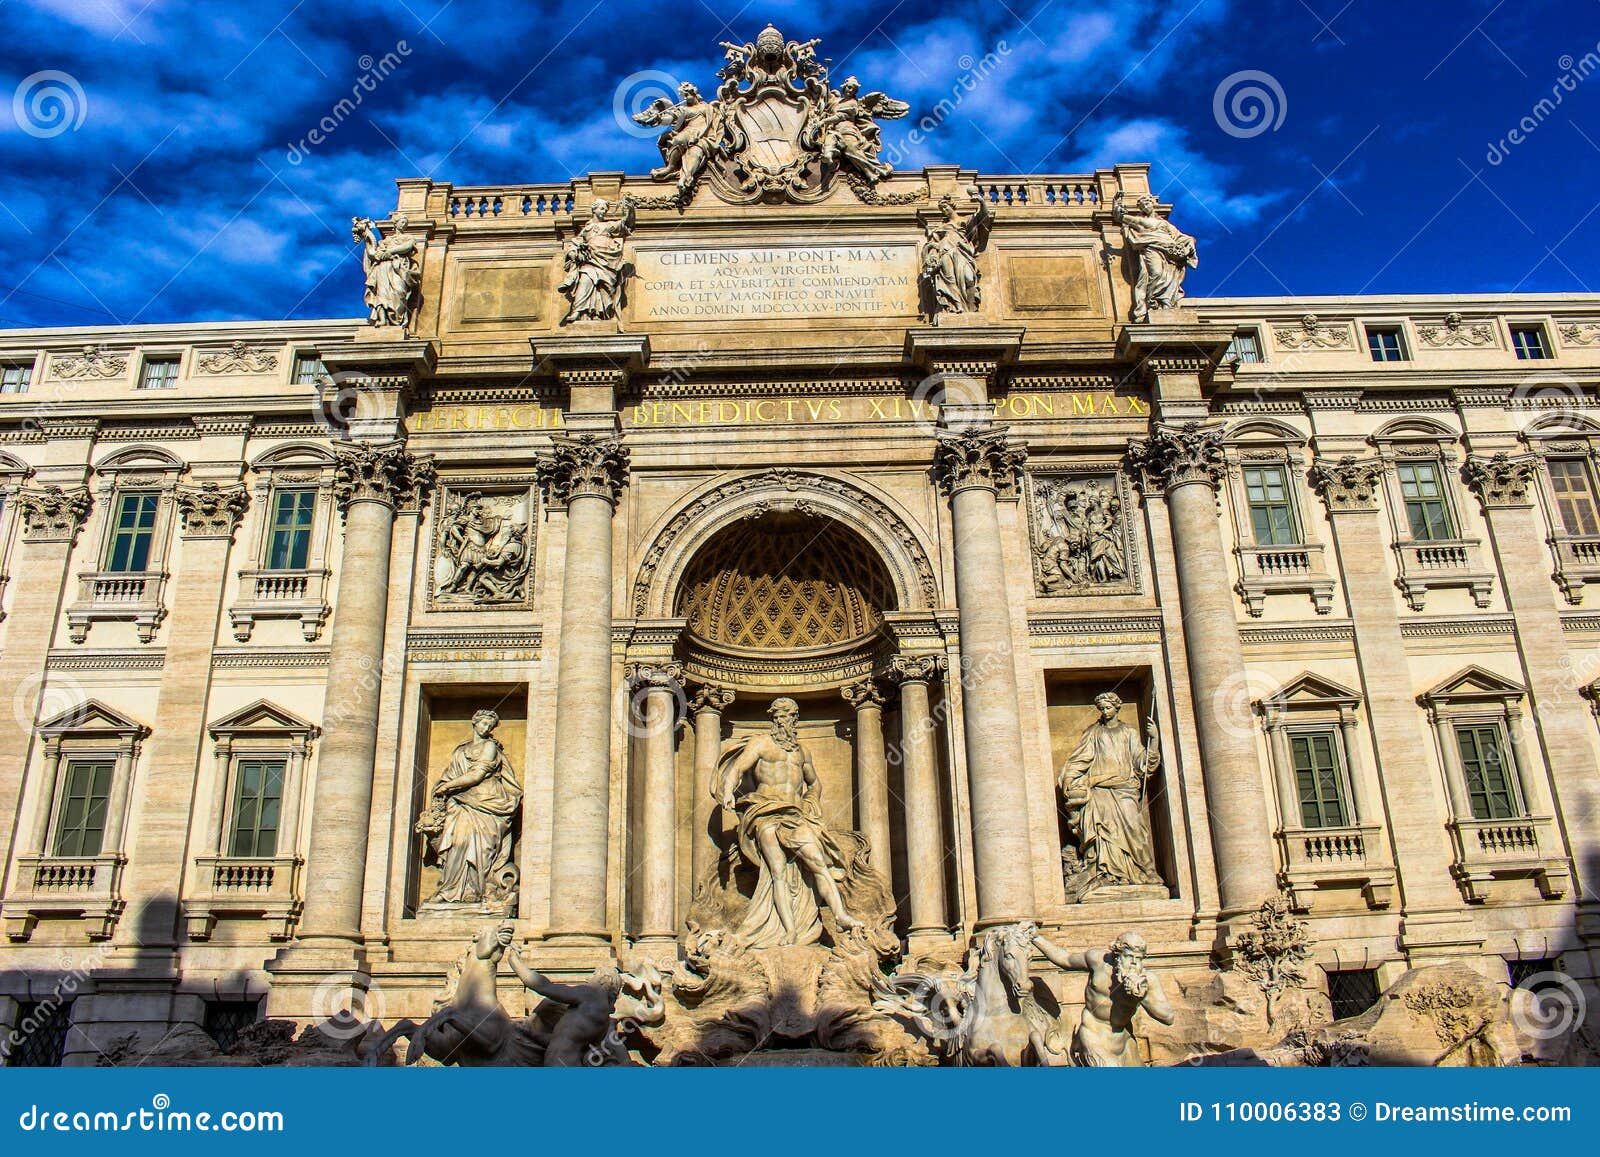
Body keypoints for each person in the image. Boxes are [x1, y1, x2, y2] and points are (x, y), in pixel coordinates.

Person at [715, 698, 862, 946]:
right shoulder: (760, 743)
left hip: (795, 814)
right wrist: (728, 791)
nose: (786, 720)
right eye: (781, 715)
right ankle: (789, 930)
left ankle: (840, 916)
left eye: (791, 715)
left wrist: (810, 802)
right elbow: (737, 769)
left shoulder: (802, 751)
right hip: (765, 812)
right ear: (773, 718)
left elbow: (814, 783)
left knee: (818, 862)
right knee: (778, 872)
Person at [1058, 691, 1162, 892]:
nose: (1105, 712)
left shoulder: (1128, 733)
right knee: (1103, 835)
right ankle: (1107, 874)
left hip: (1125, 790)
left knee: (1134, 828)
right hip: (1099, 791)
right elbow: (1080, 759)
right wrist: (1070, 779)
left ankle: (1141, 872)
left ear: (1117, 707)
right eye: (1102, 709)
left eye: (1108, 708)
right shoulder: (1093, 733)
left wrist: (1154, 739)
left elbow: (1143, 763)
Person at [1026, 927, 1174, 1066]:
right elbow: (1065, 959)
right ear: (1117, 955)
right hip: (1093, 1035)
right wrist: (1037, 938)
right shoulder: (1097, 960)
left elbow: (1168, 1018)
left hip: (1123, 1039)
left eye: (1139, 958)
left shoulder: (1147, 980)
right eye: (1129, 956)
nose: (1134, 963)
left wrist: (1143, 997)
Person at [421, 709, 522, 904]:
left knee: (479, 847)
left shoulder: (490, 747)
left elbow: (476, 775)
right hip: (460, 803)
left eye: (490, 726)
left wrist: (448, 786)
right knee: (458, 844)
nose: (486, 728)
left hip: (486, 802)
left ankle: (474, 891)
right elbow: (449, 774)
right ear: (474, 723)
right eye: (483, 723)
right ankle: (450, 889)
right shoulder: (460, 750)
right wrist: (443, 788)